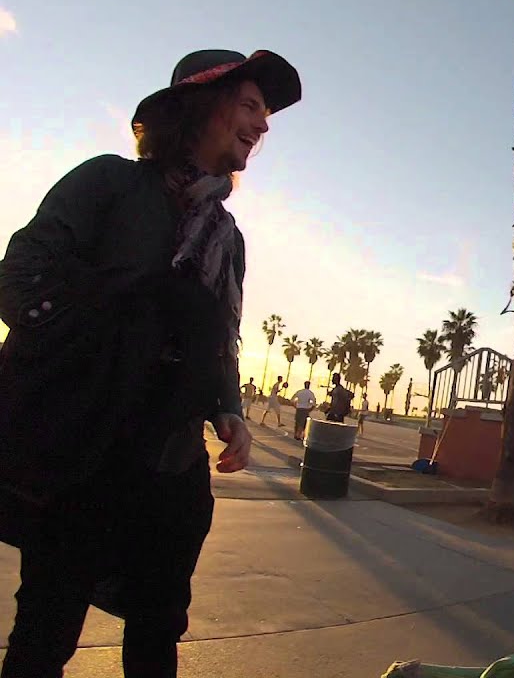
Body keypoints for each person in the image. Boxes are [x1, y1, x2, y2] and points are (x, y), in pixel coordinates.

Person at [0, 48, 299, 677]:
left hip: (170, 461)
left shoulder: (228, 238)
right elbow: (20, 277)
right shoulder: (109, 183)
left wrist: (229, 410)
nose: (264, 125)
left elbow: (222, 338)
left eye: (266, 113)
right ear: (201, 106)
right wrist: (119, 333)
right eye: (250, 105)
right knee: (46, 630)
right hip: (84, 454)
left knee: (158, 633)